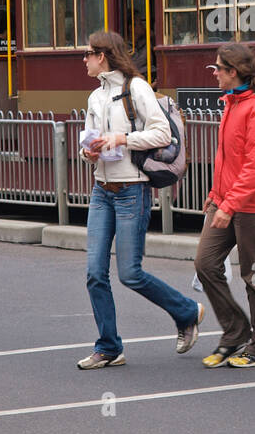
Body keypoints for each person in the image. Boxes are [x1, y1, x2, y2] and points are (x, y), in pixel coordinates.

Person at [76, 30, 202, 369]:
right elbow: (88, 140)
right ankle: (109, 346)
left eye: (87, 54)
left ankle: (187, 311)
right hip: (102, 190)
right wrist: (88, 151)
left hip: (133, 189)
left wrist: (122, 138)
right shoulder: (95, 97)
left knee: (130, 274)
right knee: (94, 273)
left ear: (102, 55)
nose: (84, 60)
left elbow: (162, 133)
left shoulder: (137, 88)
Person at [193, 42, 255, 368]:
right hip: (229, 201)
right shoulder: (232, 103)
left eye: (218, 68)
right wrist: (217, 196)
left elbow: (254, 167)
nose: (214, 73)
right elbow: (228, 159)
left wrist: (228, 205)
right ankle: (236, 331)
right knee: (205, 264)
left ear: (234, 72)